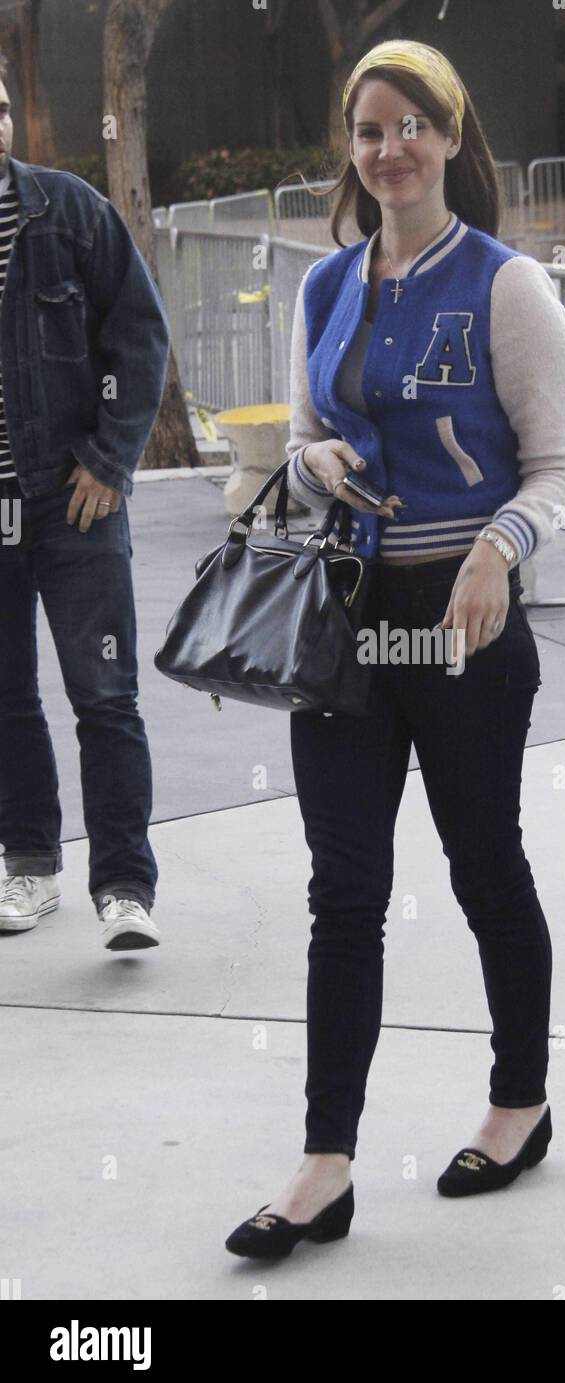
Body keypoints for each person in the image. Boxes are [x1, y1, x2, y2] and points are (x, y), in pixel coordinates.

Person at [225, 39, 565, 1260]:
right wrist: (316, 460)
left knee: (484, 865)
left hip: (465, 625)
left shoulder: (502, 284)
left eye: (409, 125)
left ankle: (518, 1101)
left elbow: (557, 471)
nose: (387, 150)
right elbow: (315, 432)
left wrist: (496, 549)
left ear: (450, 134)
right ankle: (325, 1165)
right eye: (367, 131)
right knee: (343, 894)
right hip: (347, 623)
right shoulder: (324, 285)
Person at [0, 60, 170, 951]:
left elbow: (138, 332)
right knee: (5, 701)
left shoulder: (65, 211)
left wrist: (110, 459)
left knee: (104, 696)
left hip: (75, 504)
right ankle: (30, 868)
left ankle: (125, 887)